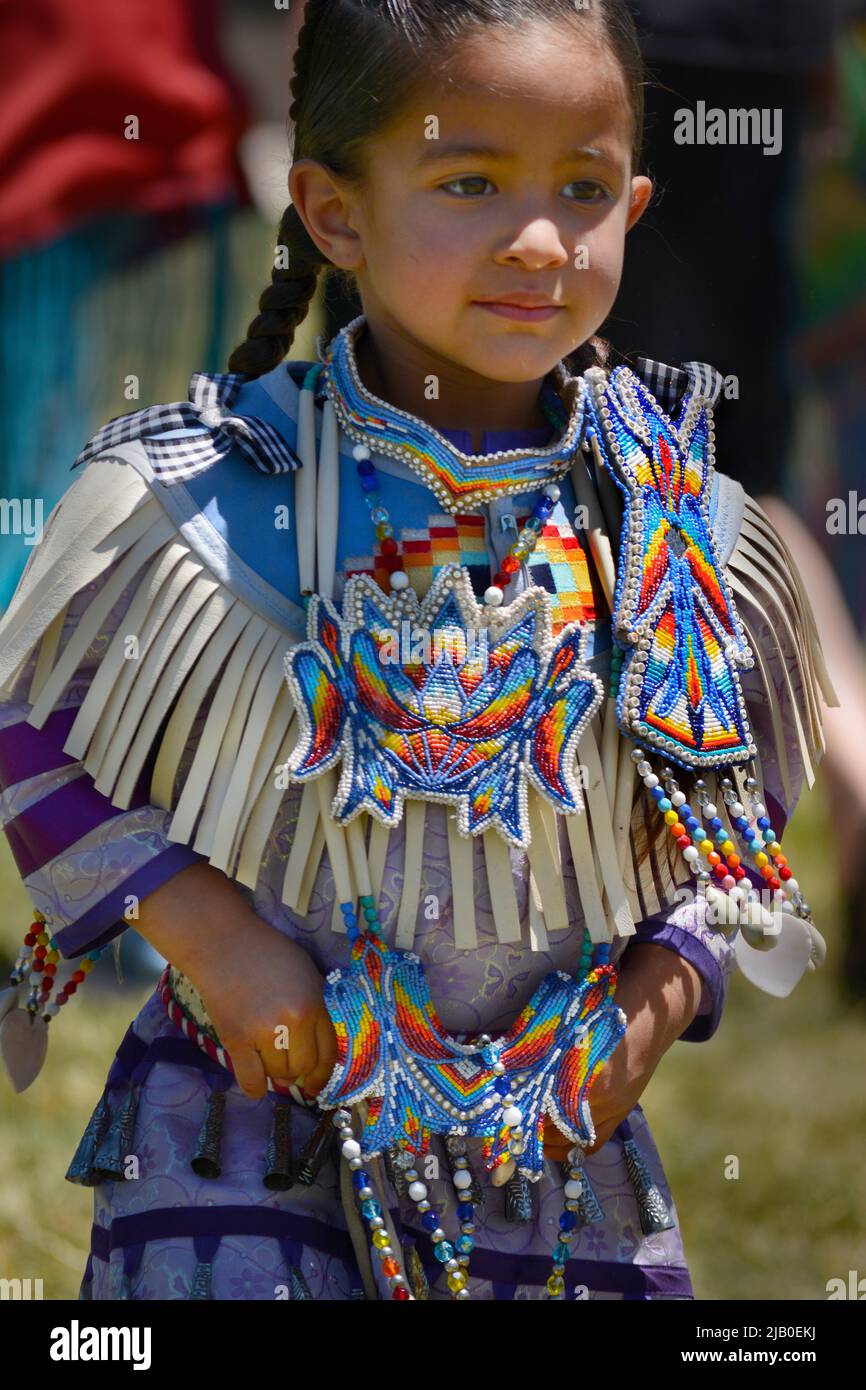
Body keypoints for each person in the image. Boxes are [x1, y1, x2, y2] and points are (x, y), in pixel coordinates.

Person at [0, 0, 834, 1301]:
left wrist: (652, 1001)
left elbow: (732, 821)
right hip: (242, 1127)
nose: (542, 238)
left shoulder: (674, 534)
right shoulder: (204, 495)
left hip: (552, 1146)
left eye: (584, 186)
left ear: (637, 200)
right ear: (333, 212)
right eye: (469, 182)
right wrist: (209, 933)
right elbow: (35, 721)